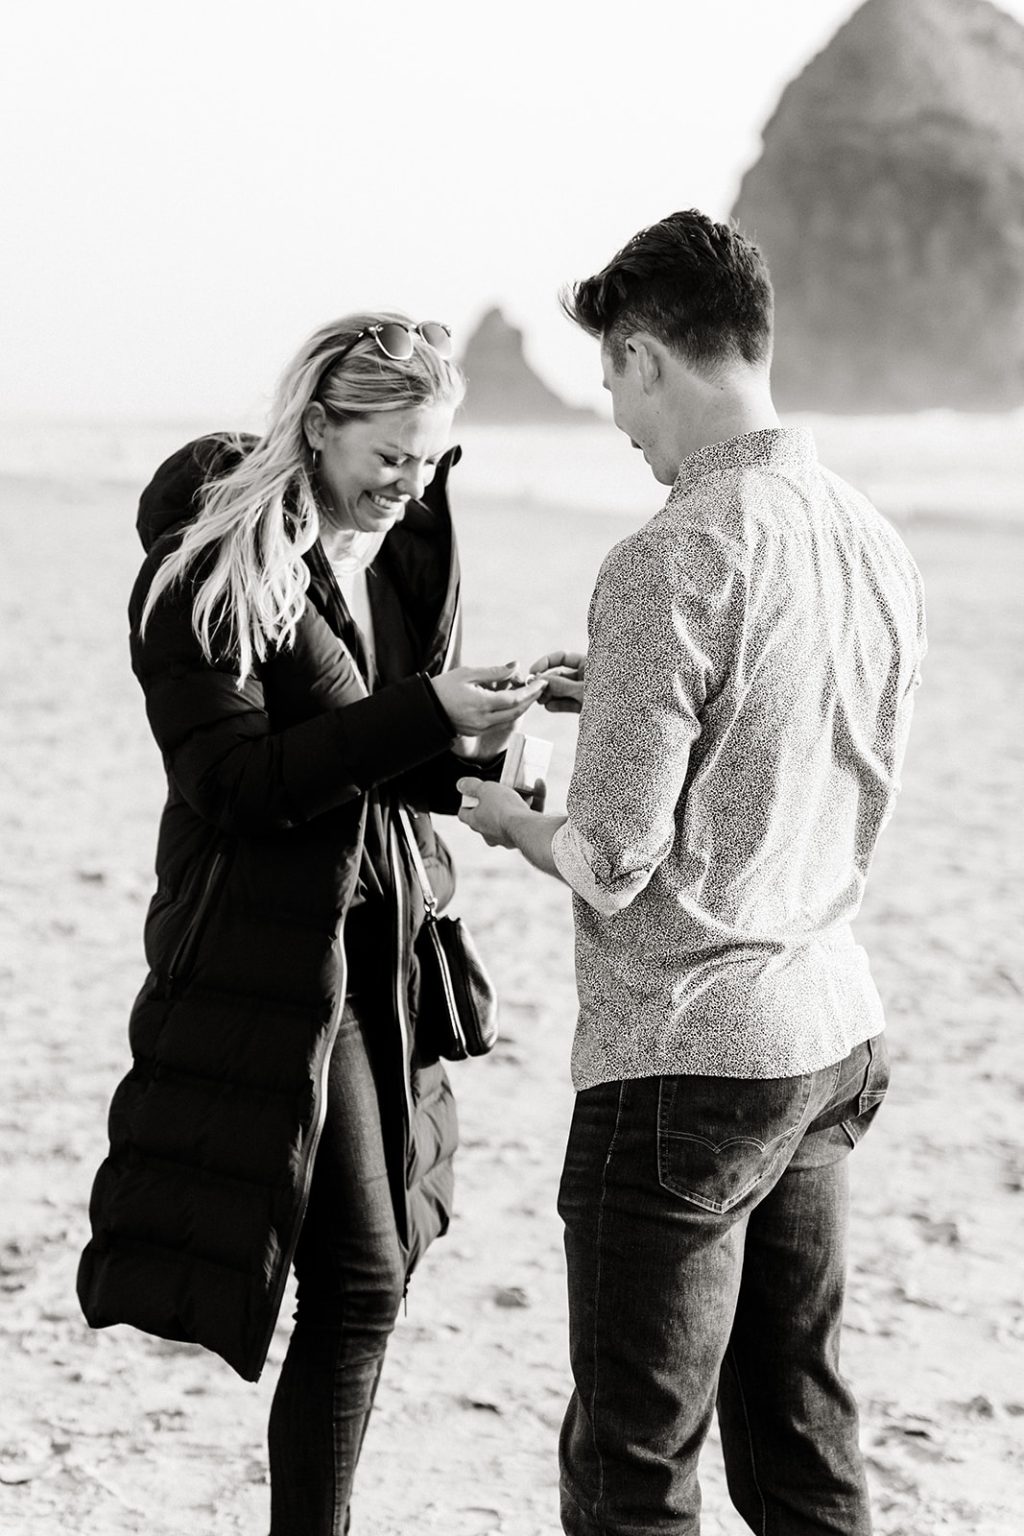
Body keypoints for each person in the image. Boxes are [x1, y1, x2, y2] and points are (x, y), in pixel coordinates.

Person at [458, 211, 927, 1535]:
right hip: (830, 1030)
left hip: (685, 1060)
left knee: (636, 1464)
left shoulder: (670, 551)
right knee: (800, 1437)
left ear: (651, 355)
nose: (615, 416)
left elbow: (612, 858)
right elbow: (778, 730)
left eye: (613, 376)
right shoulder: (870, 539)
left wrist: (506, 818)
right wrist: (600, 686)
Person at [76, 312, 545, 1534]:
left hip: (386, 940)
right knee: (361, 1271)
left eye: (433, 458)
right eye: (389, 455)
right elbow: (235, 786)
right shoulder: (207, 570)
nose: (412, 484)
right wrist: (421, 716)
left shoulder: (401, 552)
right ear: (317, 426)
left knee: (368, 1273)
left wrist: (481, 743)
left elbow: (384, 756)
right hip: (273, 953)